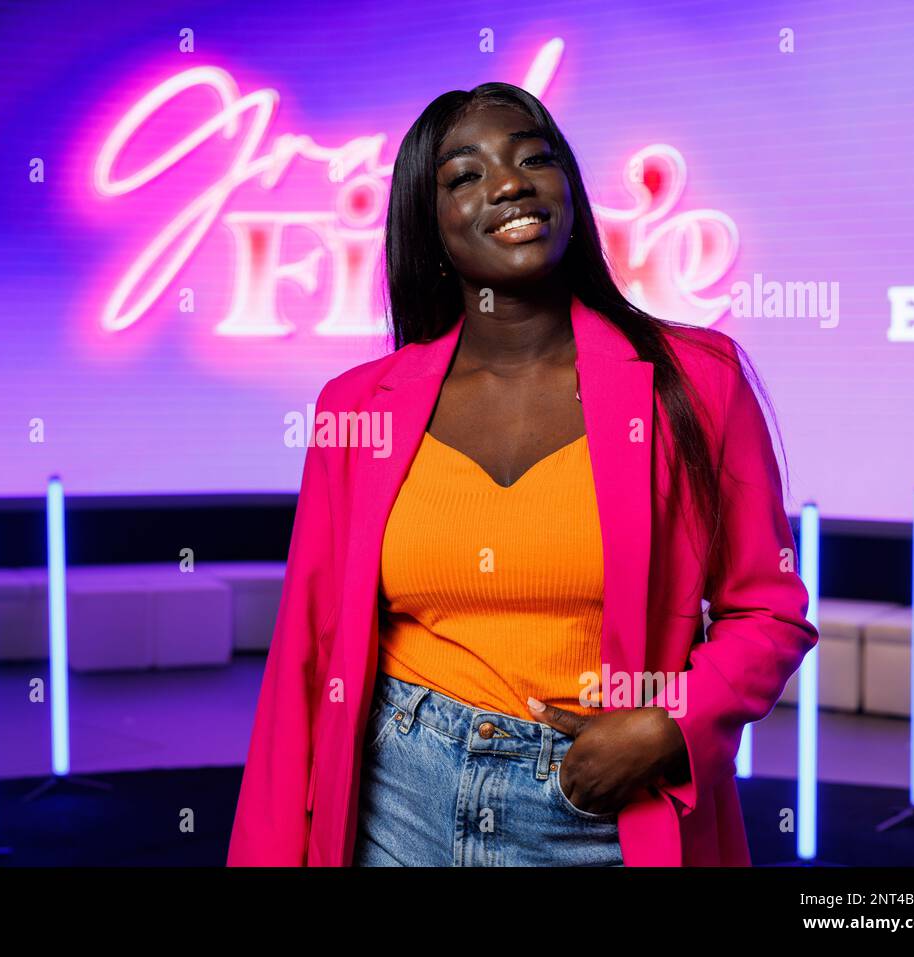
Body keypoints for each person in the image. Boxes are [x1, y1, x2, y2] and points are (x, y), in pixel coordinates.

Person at [227, 82, 818, 867]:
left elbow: (767, 609)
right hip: (397, 799)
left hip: (600, 808)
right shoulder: (356, 405)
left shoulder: (697, 379)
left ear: (568, 188)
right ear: (428, 227)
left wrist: (669, 724)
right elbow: (305, 658)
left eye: (533, 159)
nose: (509, 183)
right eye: (466, 174)